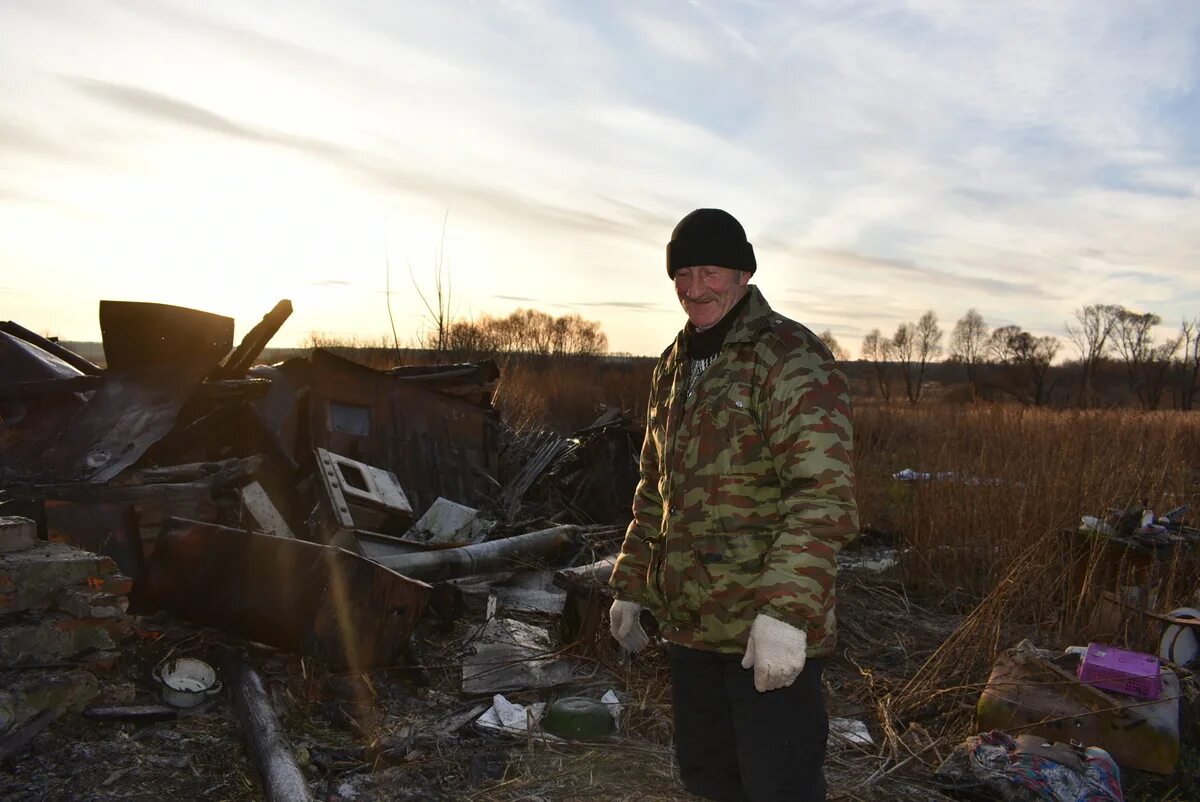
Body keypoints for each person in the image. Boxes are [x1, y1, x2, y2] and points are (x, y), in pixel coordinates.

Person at [607, 208, 859, 802]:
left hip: (761, 630)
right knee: (708, 778)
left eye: (711, 271)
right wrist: (632, 581)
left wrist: (786, 614)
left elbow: (822, 496)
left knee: (778, 786)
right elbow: (654, 487)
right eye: (683, 274)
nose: (695, 289)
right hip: (692, 627)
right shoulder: (674, 366)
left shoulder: (788, 355)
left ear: (743, 273)